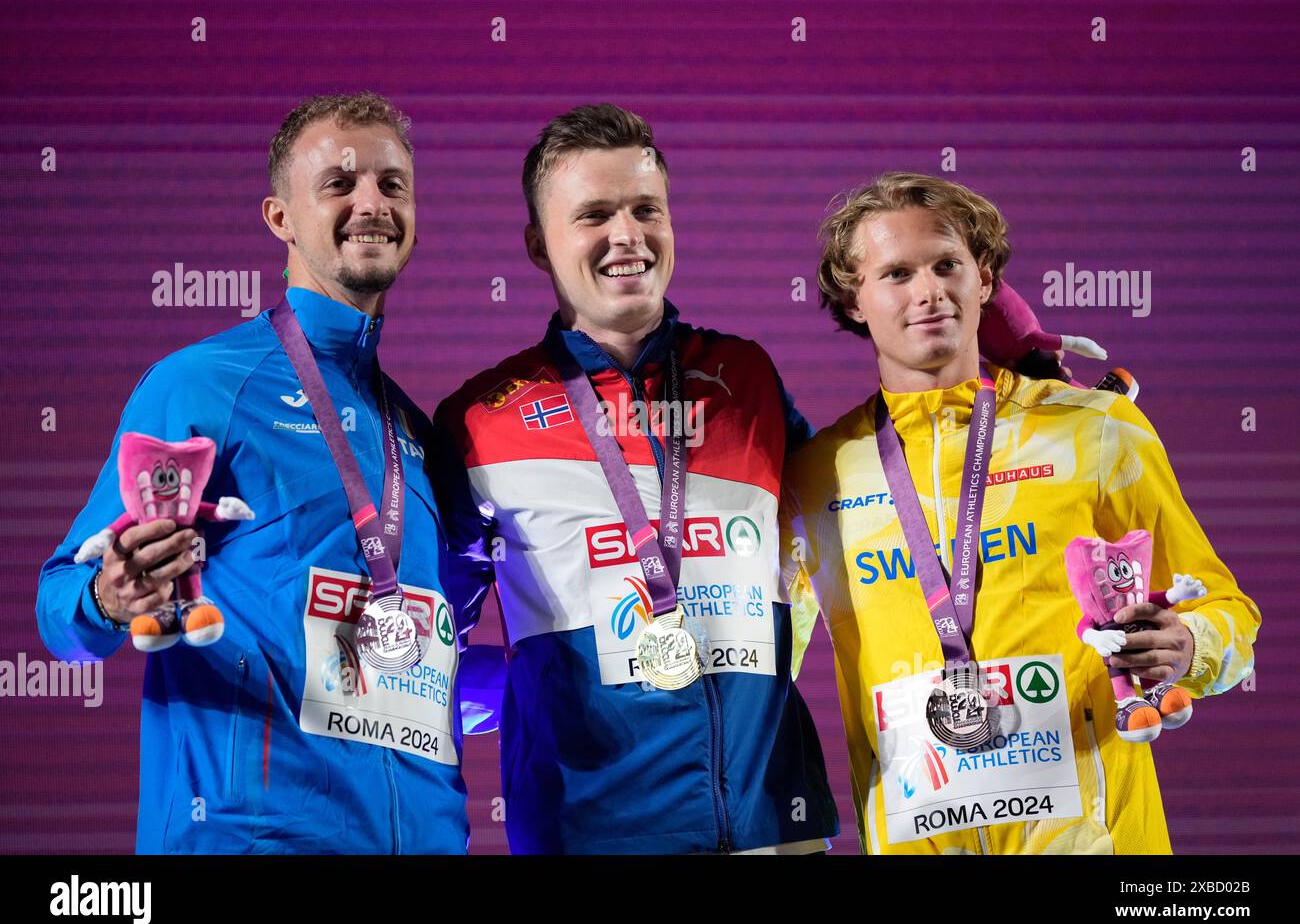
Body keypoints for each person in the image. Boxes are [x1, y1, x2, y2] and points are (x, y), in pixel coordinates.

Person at [36, 92, 473, 853]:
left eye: (391, 184)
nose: (371, 203)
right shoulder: (203, 385)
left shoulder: (415, 430)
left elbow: (429, 651)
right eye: (339, 184)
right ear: (280, 218)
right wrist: (109, 598)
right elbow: (59, 610)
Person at [780, 172, 1260, 854]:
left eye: (947, 265)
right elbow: (763, 670)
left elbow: (1227, 612)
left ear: (983, 279)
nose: (928, 291)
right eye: (896, 274)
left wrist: (1190, 645)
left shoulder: (1095, 432)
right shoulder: (818, 475)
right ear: (854, 300)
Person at [432, 104, 839, 854]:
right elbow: (430, 634)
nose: (628, 235)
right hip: (589, 835)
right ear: (537, 244)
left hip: (774, 827)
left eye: (646, 209)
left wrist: (1010, 360)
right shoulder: (482, 420)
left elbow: (866, 502)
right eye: (594, 215)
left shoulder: (746, 376)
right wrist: (535, 690)